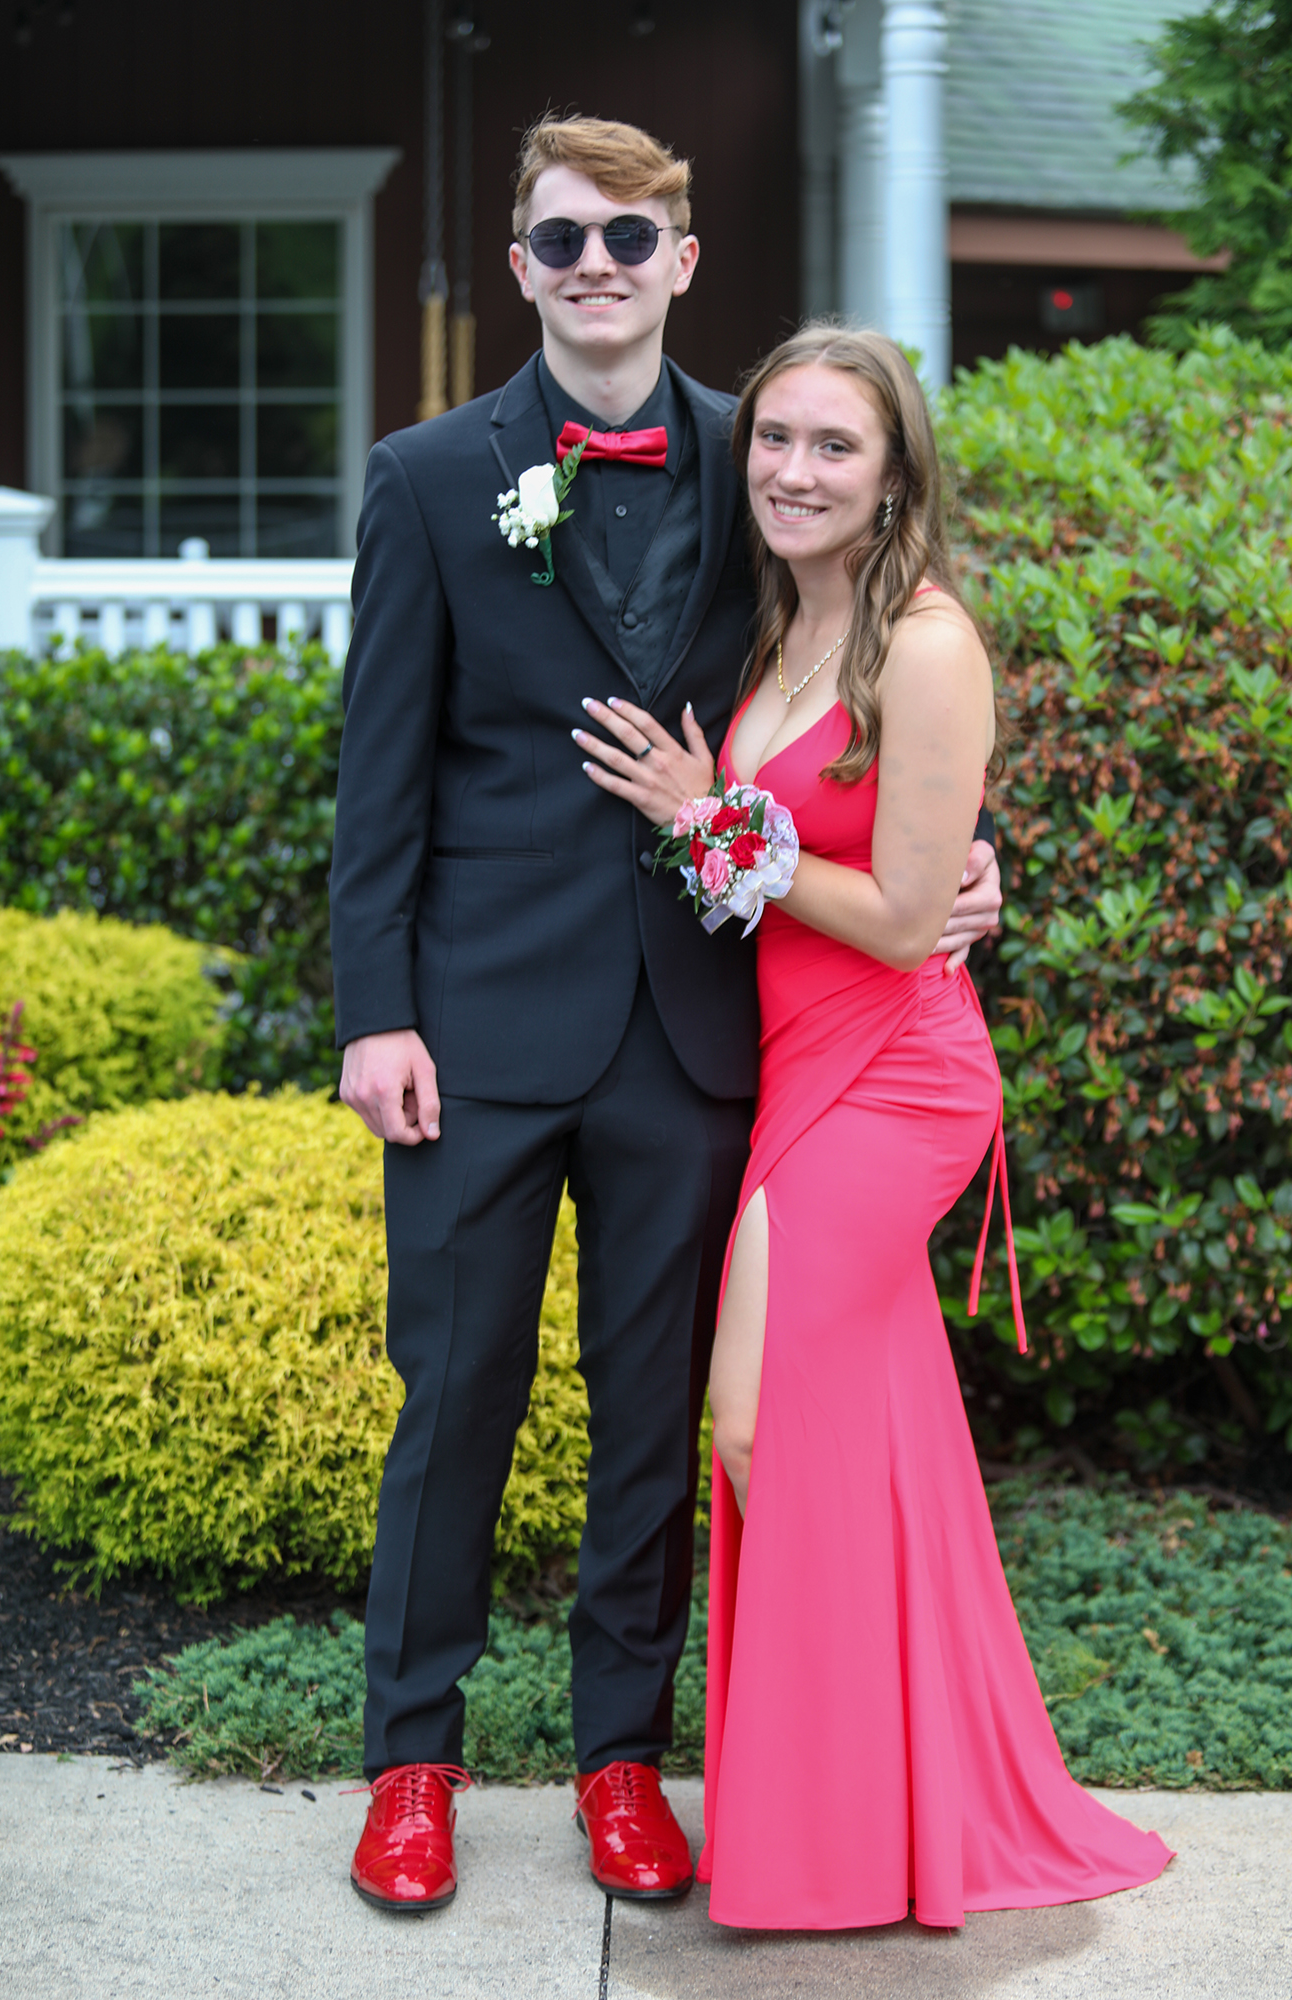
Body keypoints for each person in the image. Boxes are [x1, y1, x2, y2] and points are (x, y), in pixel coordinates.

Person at [330, 119, 1003, 1916]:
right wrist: (374, 1010)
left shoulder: (767, 458)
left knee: (658, 1418)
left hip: (708, 1038)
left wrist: (968, 861)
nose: (598, 264)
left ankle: (621, 1758)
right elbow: (375, 783)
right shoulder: (421, 477)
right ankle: (411, 1760)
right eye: (563, 239)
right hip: (472, 1030)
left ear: (682, 261)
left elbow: (859, 692)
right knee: (450, 1402)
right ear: (523, 261)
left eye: (631, 235)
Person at [579, 325, 1173, 1929]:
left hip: (895, 1075)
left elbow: (912, 920)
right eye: (771, 439)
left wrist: (710, 822)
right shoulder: (776, 631)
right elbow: (783, 881)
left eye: (832, 445)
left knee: (758, 1425)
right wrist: (710, 831)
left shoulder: (921, 642)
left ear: (895, 468)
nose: (790, 469)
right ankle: (881, 1803)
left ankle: (841, 1817)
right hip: (791, 1062)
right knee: (859, 1437)